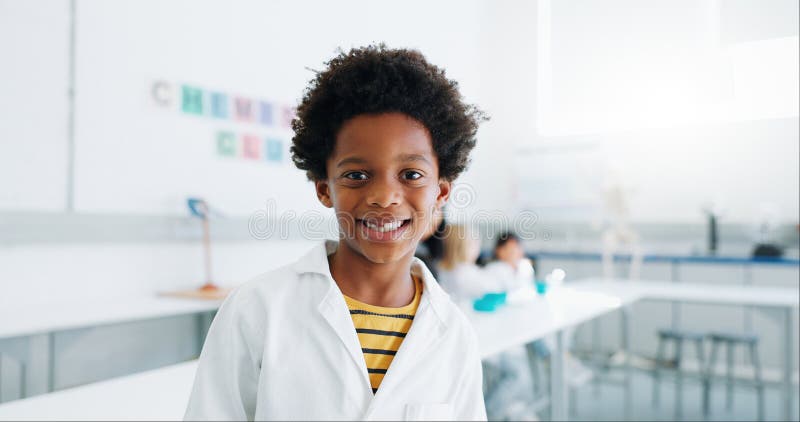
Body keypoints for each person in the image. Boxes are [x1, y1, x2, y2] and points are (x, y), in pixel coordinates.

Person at [184, 45, 488, 420]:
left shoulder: (454, 336)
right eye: (356, 175)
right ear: (324, 187)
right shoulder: (256, 311)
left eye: (411, 175)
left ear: (441, 191)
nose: (384, 197)